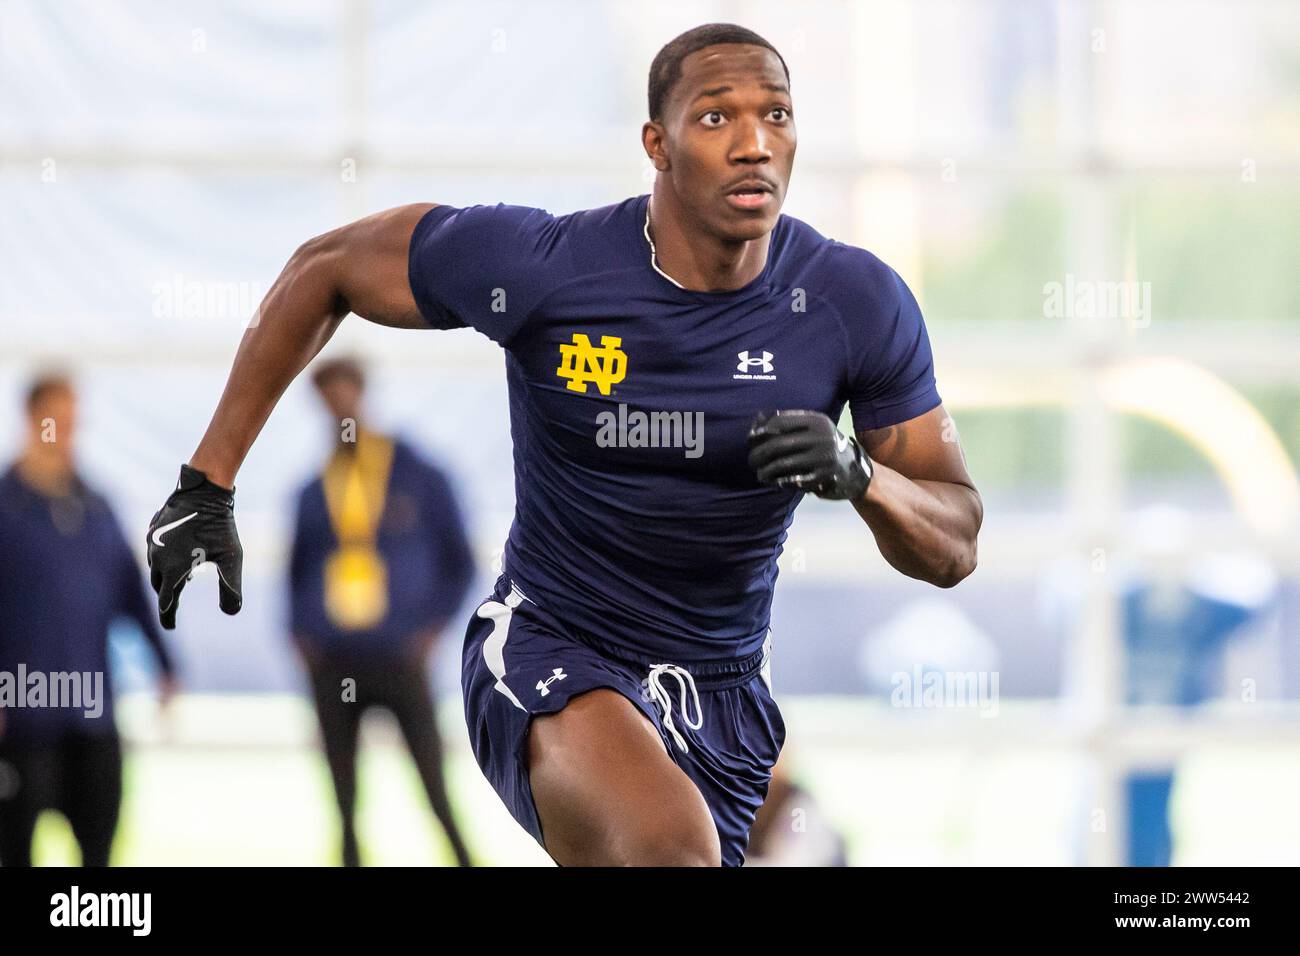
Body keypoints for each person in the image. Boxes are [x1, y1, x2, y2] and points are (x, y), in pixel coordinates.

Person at [144, 23, 982, 866]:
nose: (754, 144)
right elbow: (324, 267)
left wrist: (862, 475)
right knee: (669, 849)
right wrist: (205, 485)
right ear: (658, 144)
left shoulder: (852, 302)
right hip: (552, 646)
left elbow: (955, 540)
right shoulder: (547, 266)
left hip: (722, 695)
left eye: (777, 114)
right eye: (717, 119)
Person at [288, 357, 474, 866]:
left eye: (345, 394)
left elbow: (459, 561)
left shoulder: (416, 475)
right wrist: (303, 639)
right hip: (335, 662)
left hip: (399, 658)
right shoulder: (313, 490)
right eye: (328, 398)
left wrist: (430, 631)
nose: (338, 408)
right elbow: (296, 572)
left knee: (435, 788)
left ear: (362, 395)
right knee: (344, 800)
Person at [0, 373, 177, 866]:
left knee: (99, 849)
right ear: (33, 420)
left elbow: (130, 593)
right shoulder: (6, 507)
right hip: (22, 716)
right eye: (56, 420)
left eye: (73, 421)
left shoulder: (95, 507)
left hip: (92, 716)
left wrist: (165, 665)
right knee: (16, 849)